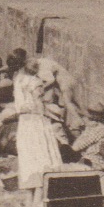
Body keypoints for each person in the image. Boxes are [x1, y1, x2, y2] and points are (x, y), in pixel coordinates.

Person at [14, 59, 63, 193]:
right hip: (36, 120)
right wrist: (49, 114)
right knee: (42, 154)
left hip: (24, 121)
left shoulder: (19, 79)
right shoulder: (36, 82)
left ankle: (30, 196)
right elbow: (38, 103)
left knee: (29, 156)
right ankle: (41, 193)